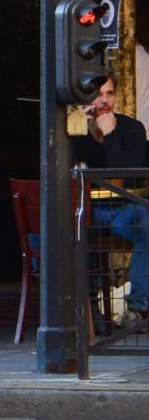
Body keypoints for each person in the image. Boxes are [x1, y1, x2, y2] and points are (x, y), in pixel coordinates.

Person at [71, 72, 146, 330]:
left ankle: (137, 310)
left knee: (145, 220)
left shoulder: (132, 128)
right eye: (97, 94)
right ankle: (84, 311)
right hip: (84, 211)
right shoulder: (73, 130)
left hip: (119, 210)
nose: (104, 100)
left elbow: (126, 176)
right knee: (55, 227)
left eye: (109, 94)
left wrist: (110, 134)